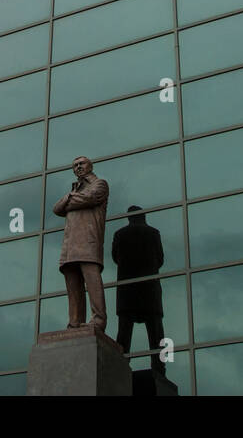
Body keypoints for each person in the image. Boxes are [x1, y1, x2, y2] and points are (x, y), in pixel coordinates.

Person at [52, 155, 109, 331]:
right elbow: (56, 208)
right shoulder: (74, 191)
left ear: (90, 165)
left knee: (92, 282)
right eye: (75, 165)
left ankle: (99, 320)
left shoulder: (100, 184)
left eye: (81, 163)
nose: (78, 167)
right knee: (73, 285)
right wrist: (71, 196)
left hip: (88, 242)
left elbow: (89, 198)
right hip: (70, 245)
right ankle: (74, 322)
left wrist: (68, 200)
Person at [112, 206, 166, 374]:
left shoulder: (120, 234)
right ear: (143, 217)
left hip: (127, 291)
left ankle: (120, 367)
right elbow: (160, 259)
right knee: (156, 332)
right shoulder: (153, 233)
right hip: (149, 289)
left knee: (124, 333)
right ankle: (159, 368)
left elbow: (116, 257)